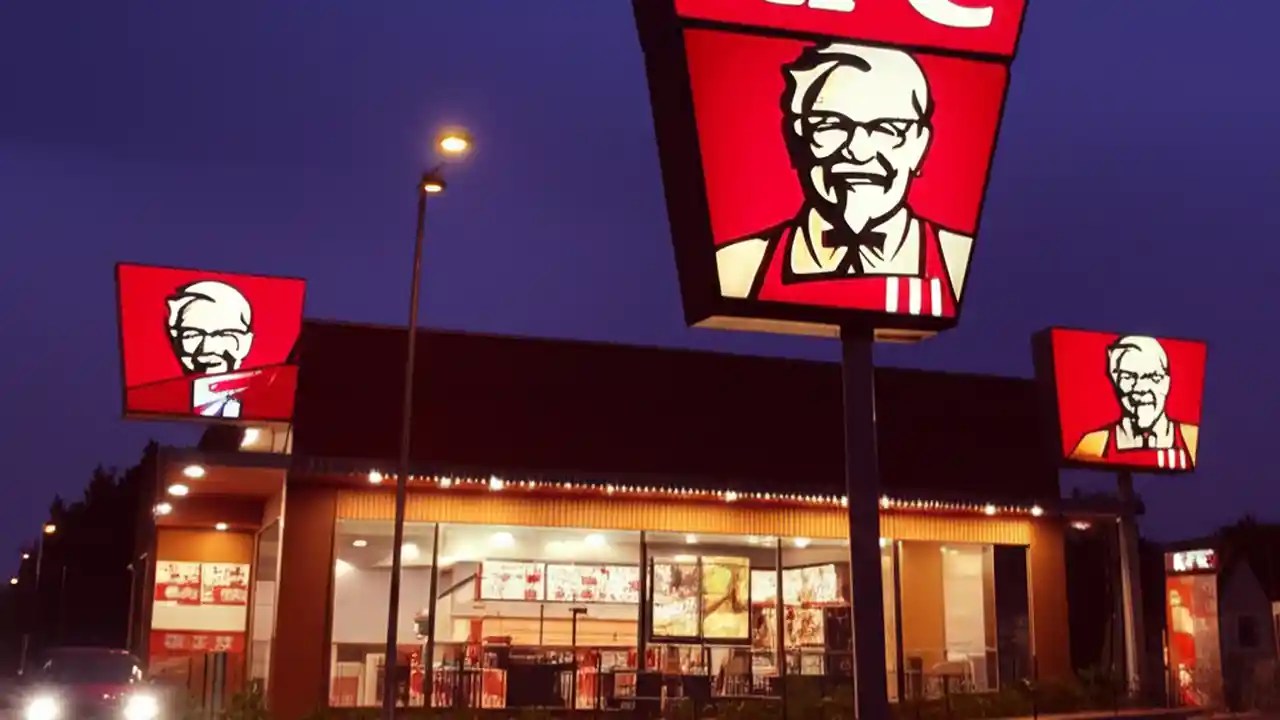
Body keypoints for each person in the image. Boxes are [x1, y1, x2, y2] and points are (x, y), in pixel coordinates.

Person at [715, 42, 974, 318]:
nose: (859, 151)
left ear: (919, 145)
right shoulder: (739, 268)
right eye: (831, 125)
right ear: (795, 140)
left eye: (887, 129)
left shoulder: (960, 260)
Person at [1070, 336, 1200, 469]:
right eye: (1128, 377)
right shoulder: (1093, 444)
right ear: (1115, 383)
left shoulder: (1193, 439)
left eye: (1152, 376)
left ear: (1166, 383)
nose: (1141, 388)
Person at [166, 280, 256, 417]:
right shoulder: (159, 403)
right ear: (176, 340)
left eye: (225, 334)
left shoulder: (270, 404)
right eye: (193, 335)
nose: (208, 348)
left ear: (246, 342)